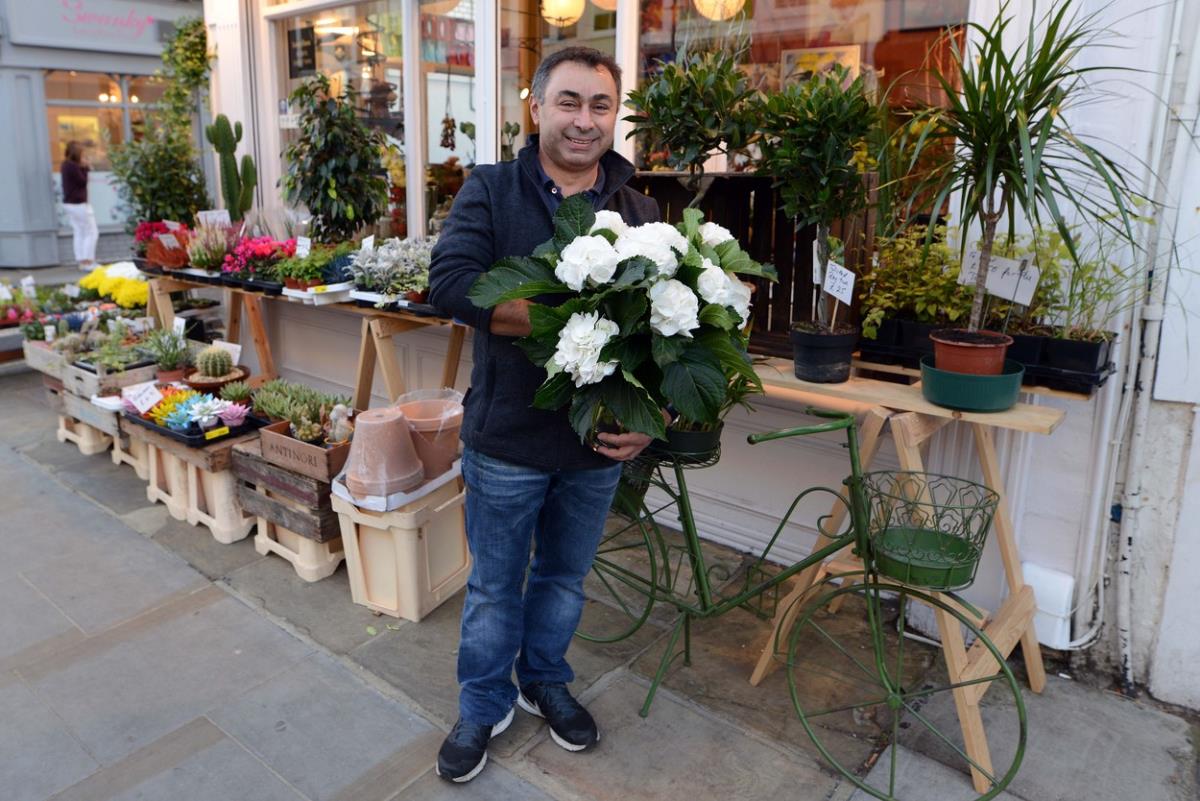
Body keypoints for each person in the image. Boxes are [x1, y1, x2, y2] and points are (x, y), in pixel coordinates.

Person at [427, 46, 662, 784]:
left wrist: (651, 416)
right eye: (569, 101)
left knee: (564, 579)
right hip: (507, 438)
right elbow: (452, 284)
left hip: (598, 443)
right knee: (495, 587)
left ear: (615, 115)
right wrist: (575, 321)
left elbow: (664, 333)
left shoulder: (640, 212)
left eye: (600, 105)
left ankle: (543, 679)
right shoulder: (492, 190)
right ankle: (482, 702)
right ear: (535, 108)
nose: (584, 120)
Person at [60, 141, 99, 271]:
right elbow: (82, 182)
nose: (84, 156)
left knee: (79, 232)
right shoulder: (74, 166)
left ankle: (81, 261)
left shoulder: (65, 165)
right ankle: (88, 262)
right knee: (91, 232)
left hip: (69, 204)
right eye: (82, 154)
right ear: (77, 154)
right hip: (79, 204)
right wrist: (86, 167)